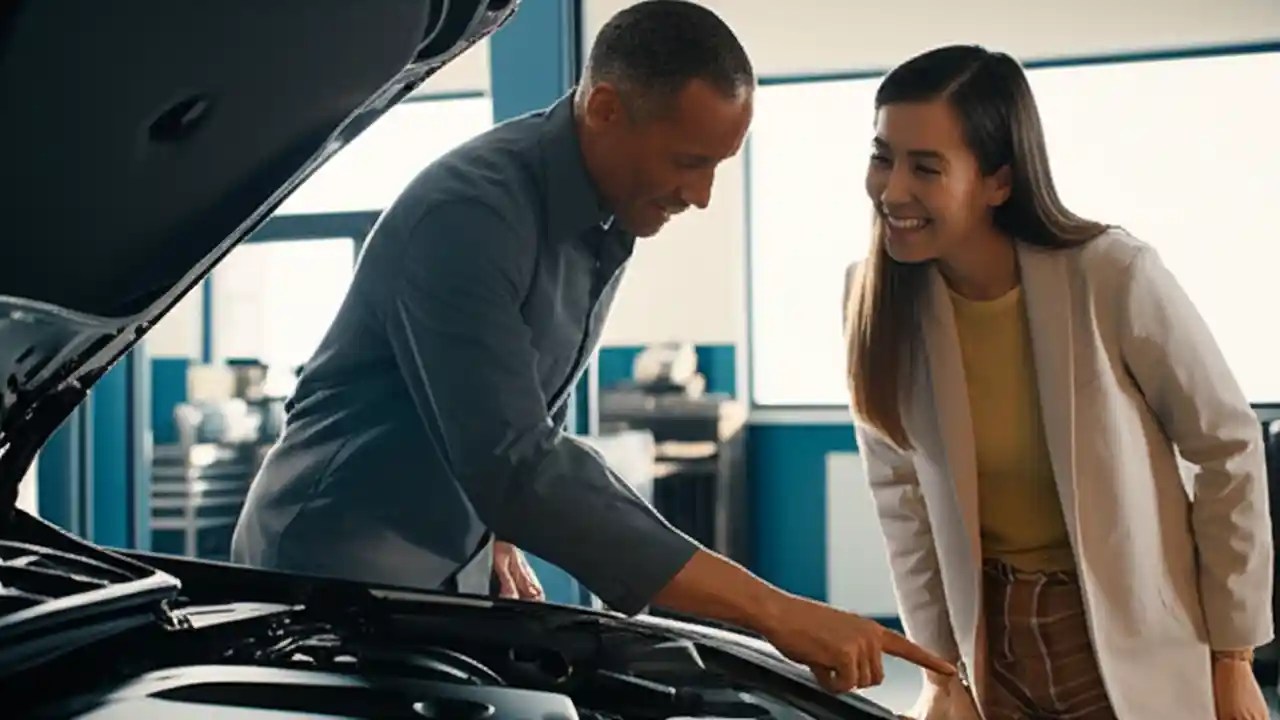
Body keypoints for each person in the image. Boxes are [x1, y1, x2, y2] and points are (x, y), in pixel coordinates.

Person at [230, 0, 953, 693]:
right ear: (605, 108)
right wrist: (774, 612)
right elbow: (518, 464)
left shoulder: (608, 214)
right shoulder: (471, 216)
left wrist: (496, 533)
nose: (699, 195)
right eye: (688, 160)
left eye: (717, 167)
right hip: (333, 559)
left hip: (448, 550)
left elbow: (509, 415)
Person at [842, 43, 1274, 719]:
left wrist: (1234, 655)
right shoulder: (873, 300)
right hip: (993, 640)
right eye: (882, 157)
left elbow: (1225, 445)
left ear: (998, 182)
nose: (892, 190)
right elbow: (902, 499)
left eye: (925, 167)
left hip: (1123, 632)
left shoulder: (1110, 274)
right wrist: (941, 668)